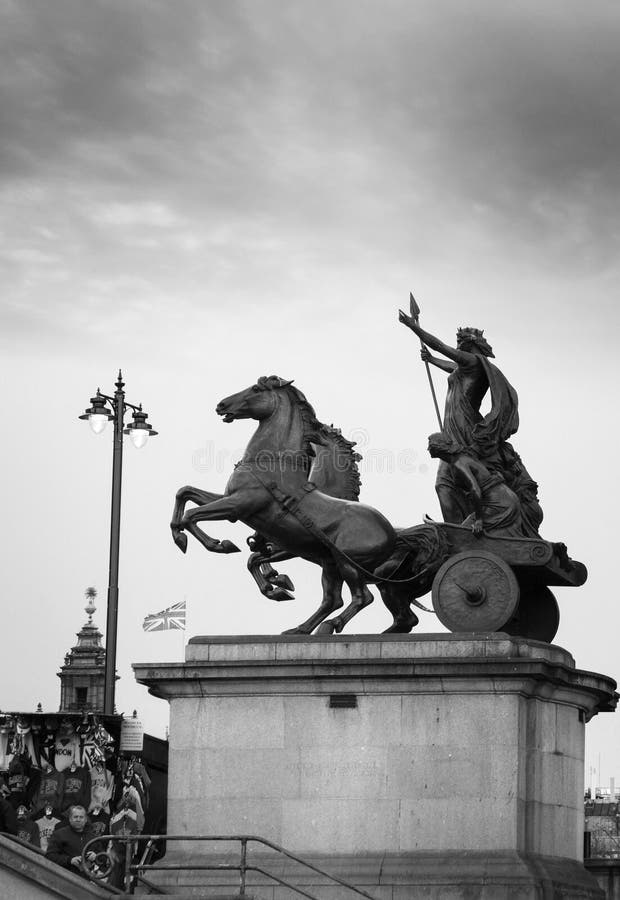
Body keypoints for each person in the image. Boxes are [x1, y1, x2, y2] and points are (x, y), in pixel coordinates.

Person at [399, 312, 519, 523]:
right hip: (453, 428)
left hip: (463, 428)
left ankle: (466, 524)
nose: (457, 346)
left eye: (461, 342)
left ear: (470, 344)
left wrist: (413, 327)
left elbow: (440, 346)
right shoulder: (466, 366)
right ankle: (457, 527)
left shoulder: (473, 361)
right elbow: (451, 366)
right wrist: (431, 360)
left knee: (447, 482)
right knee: (445, 484)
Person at [427, 432, 525, 538]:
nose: (427, 448)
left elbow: (475, 489)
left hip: (499, 503)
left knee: (462, 533)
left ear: (437, 447)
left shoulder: (458, 463)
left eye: (429, 444)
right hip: (505, 498)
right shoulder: (462, 457)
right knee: (465, 528)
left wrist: (479, 520)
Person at [45, 804, 97, 878]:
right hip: (64, 877)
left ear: (85, 820)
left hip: (88, 880)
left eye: (81, 817)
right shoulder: (59, 834)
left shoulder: (93, 837)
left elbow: (103, 859)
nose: (78, 819)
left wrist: (96, 856)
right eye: (75, 817)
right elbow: (49, 856)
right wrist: (69, 860)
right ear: (70, 819)